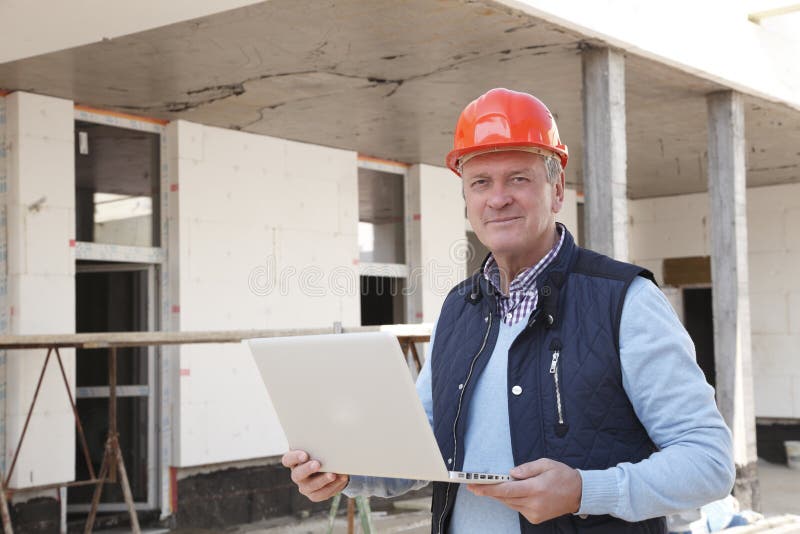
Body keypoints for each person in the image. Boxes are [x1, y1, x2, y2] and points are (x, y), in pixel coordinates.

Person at [282, 88, 735, 533]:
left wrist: (584, 490)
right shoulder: (458, 310)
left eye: (518, 178)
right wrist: (344, 473)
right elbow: (418, 453)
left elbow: (709, 461)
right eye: (480, 182)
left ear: (556, 190)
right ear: (467, 200)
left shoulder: (625, 302)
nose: (497, 198)